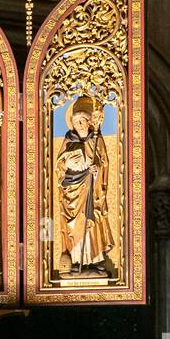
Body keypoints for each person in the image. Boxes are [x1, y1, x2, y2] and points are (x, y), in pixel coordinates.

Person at [55, 95, 114, 274]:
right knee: (74, 226)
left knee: (91, 222)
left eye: (82, 120)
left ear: (89, 122)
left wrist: (97, 171)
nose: (79, 124)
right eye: (76, 121)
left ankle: (95, 261)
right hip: (72, 191)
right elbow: (59, 168)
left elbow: (104, 163)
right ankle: (75, 260)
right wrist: (70, 167)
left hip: (91, 190)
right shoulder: (68, 141)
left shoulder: (95, 141)